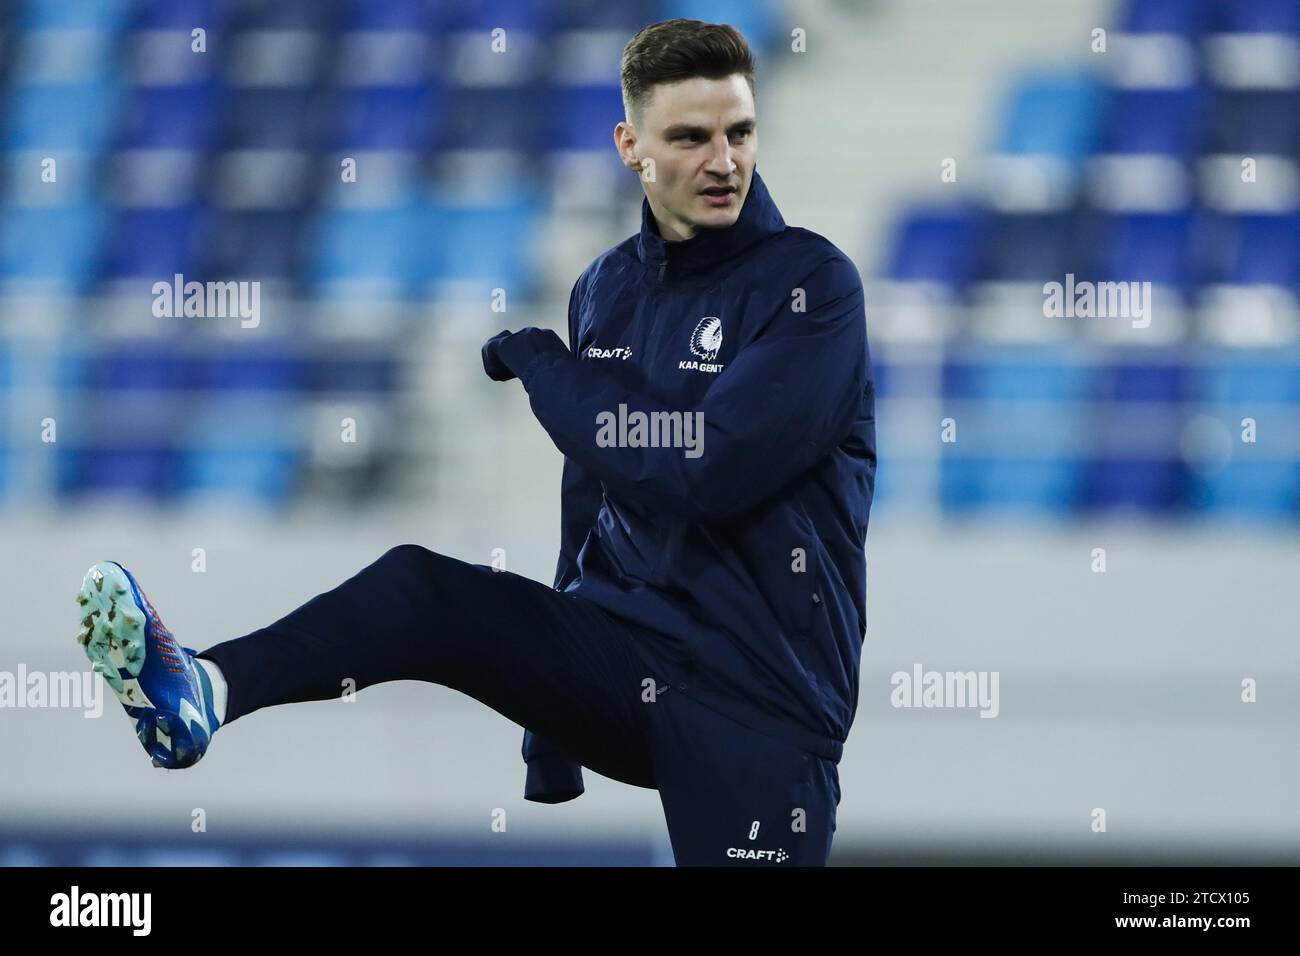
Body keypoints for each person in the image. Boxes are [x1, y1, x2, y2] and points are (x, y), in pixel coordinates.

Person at [74, 18, 876, 867]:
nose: (723, 161)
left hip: (759, 703)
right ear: (630, 146)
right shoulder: (604, 289)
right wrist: (552, 709)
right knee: (419, 586)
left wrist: (550, 373)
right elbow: (594, 497)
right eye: (690, 137)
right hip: (627, 659)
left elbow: (703, 465)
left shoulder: (811, 287)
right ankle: (204, 689)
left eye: (739, 133)